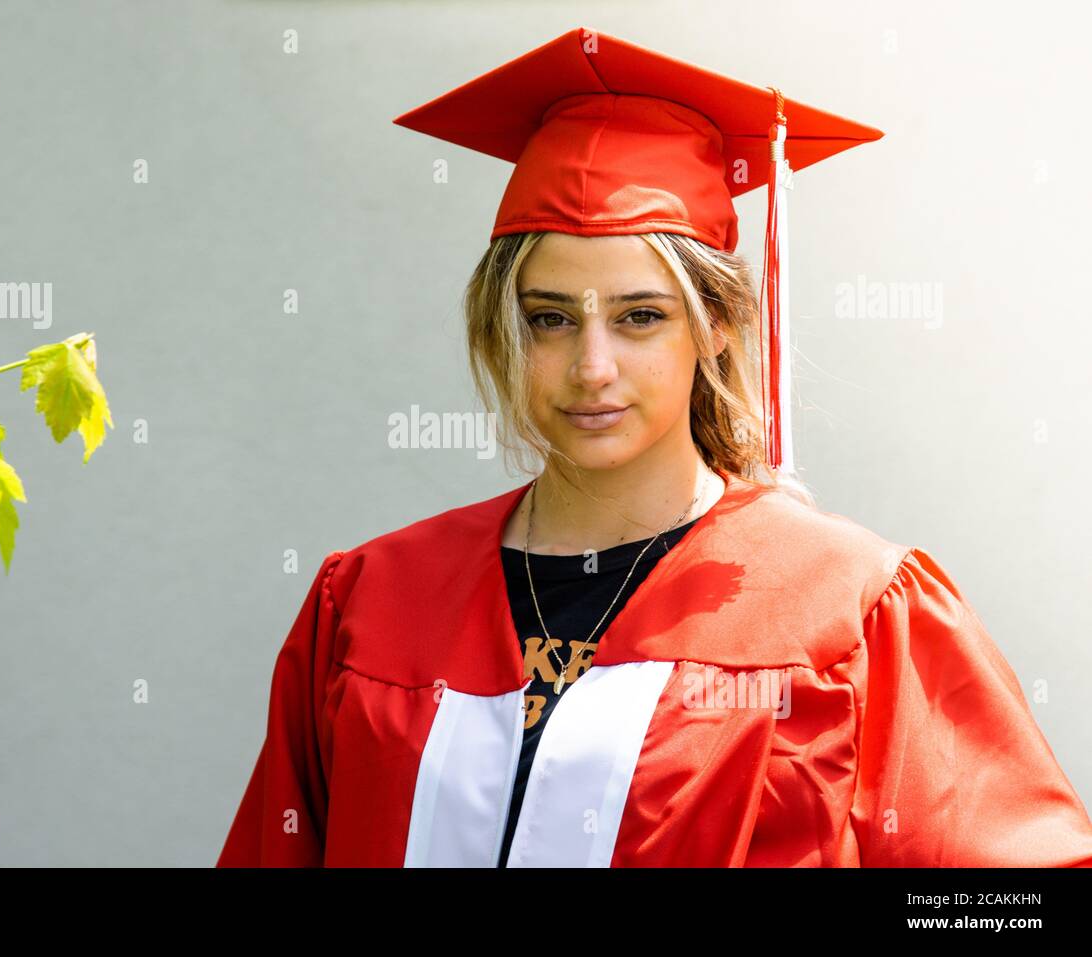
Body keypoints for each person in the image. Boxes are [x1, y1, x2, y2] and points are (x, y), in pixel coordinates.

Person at [216, 26, 1092, 867]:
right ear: (501, 329)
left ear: (716, 325)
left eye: (641, 316)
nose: (591, 368)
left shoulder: (846, 609)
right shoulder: (372, 599)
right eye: (550, 318)